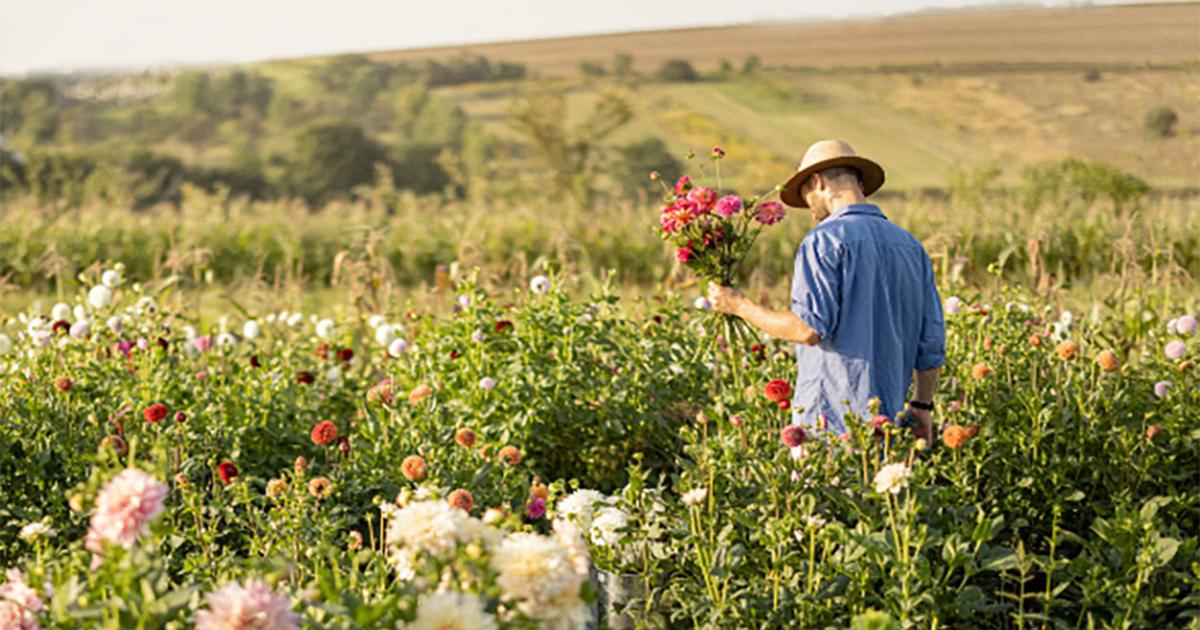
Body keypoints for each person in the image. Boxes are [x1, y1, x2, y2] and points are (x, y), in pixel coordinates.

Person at [707, 139, 944, 442]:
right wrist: (922, 405)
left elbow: (807, 329)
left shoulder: (824, 240)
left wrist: (739, 305)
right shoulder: (910, 246)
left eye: (805, 195)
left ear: (817, 182)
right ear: (859, 182)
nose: (808, 207)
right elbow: (931, 342)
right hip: (889, 423)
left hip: (830, 425)